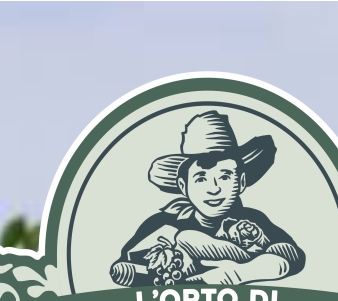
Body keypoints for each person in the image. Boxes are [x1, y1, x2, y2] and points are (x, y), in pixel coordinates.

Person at [110, 110, 303, 289]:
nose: (214, 188)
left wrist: (241, 272)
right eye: (201, 178)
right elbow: (124, 265)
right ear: (183, 186)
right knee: (186, 238)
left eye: (225, 176)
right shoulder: (163, 223)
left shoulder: (253, 220)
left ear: (241, 182)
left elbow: (293, 256)